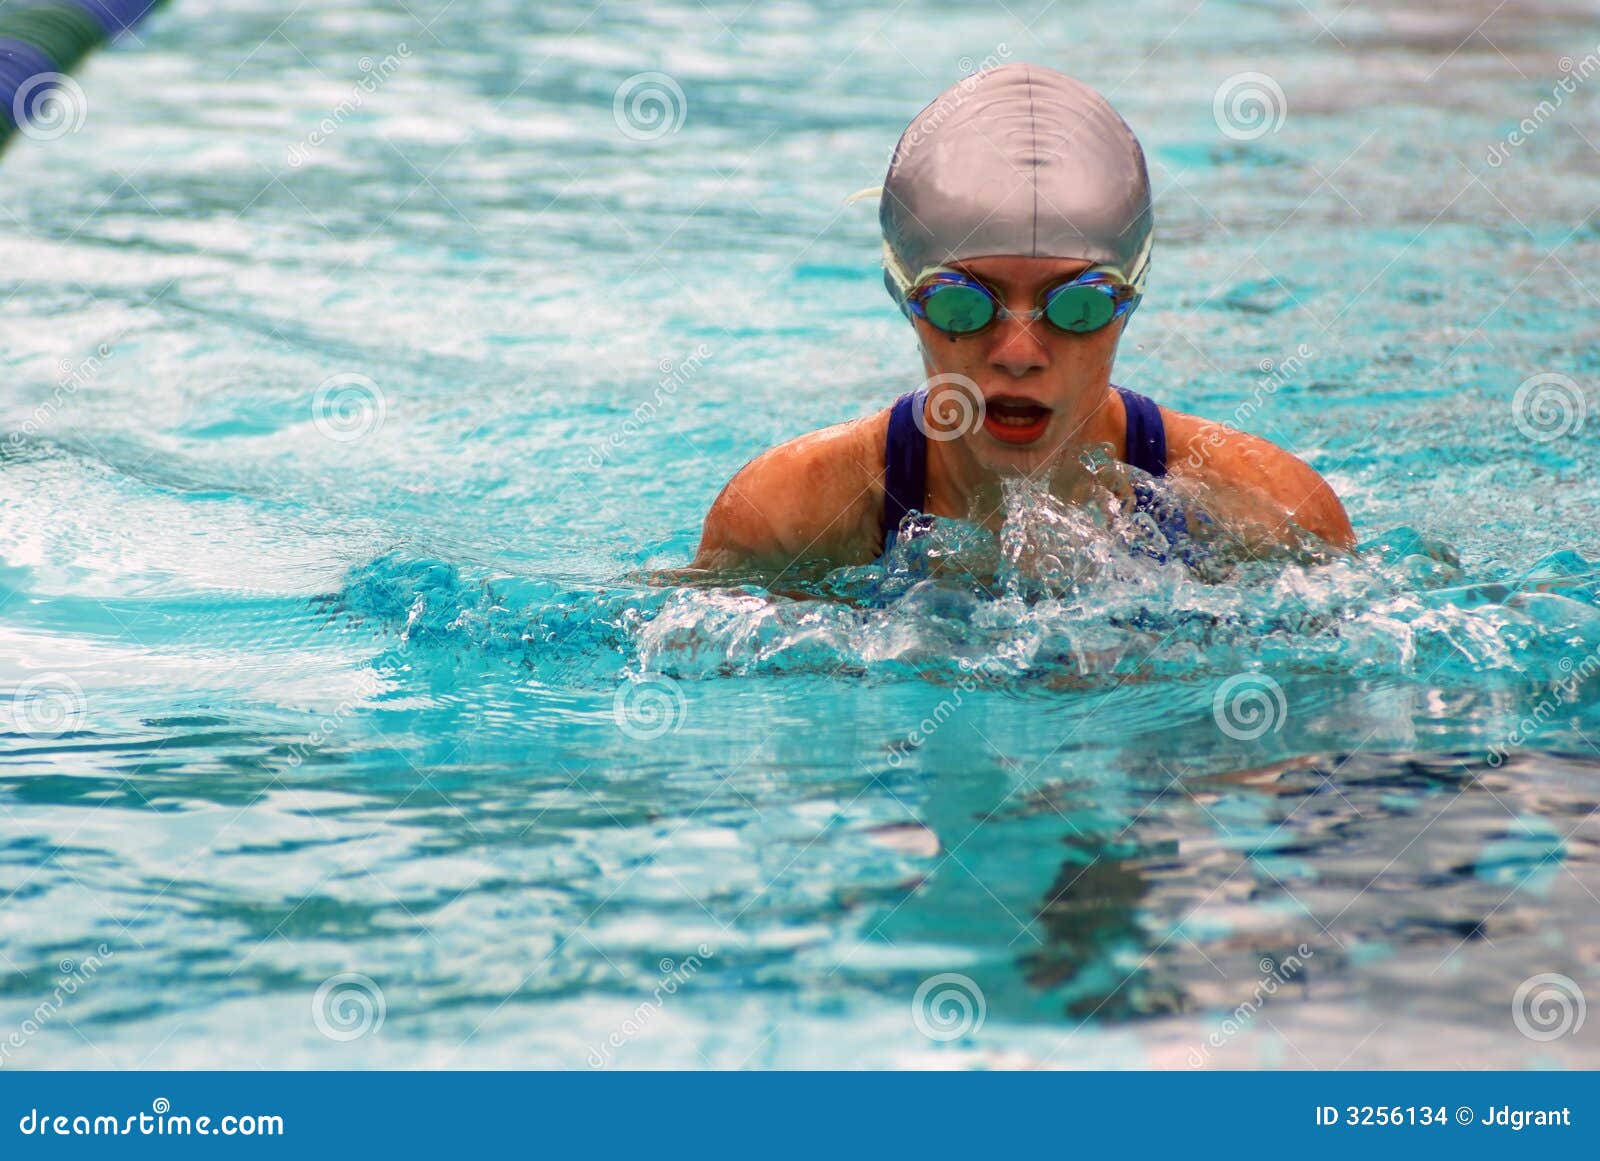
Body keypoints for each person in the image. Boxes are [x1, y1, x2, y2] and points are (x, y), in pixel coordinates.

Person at [692, 64, 1354, 577]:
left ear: (1131, 300)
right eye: (963, 303)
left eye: (1077, 305)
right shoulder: (786, 518)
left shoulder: (1268, 516)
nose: (1017, 351)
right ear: (903, 295)